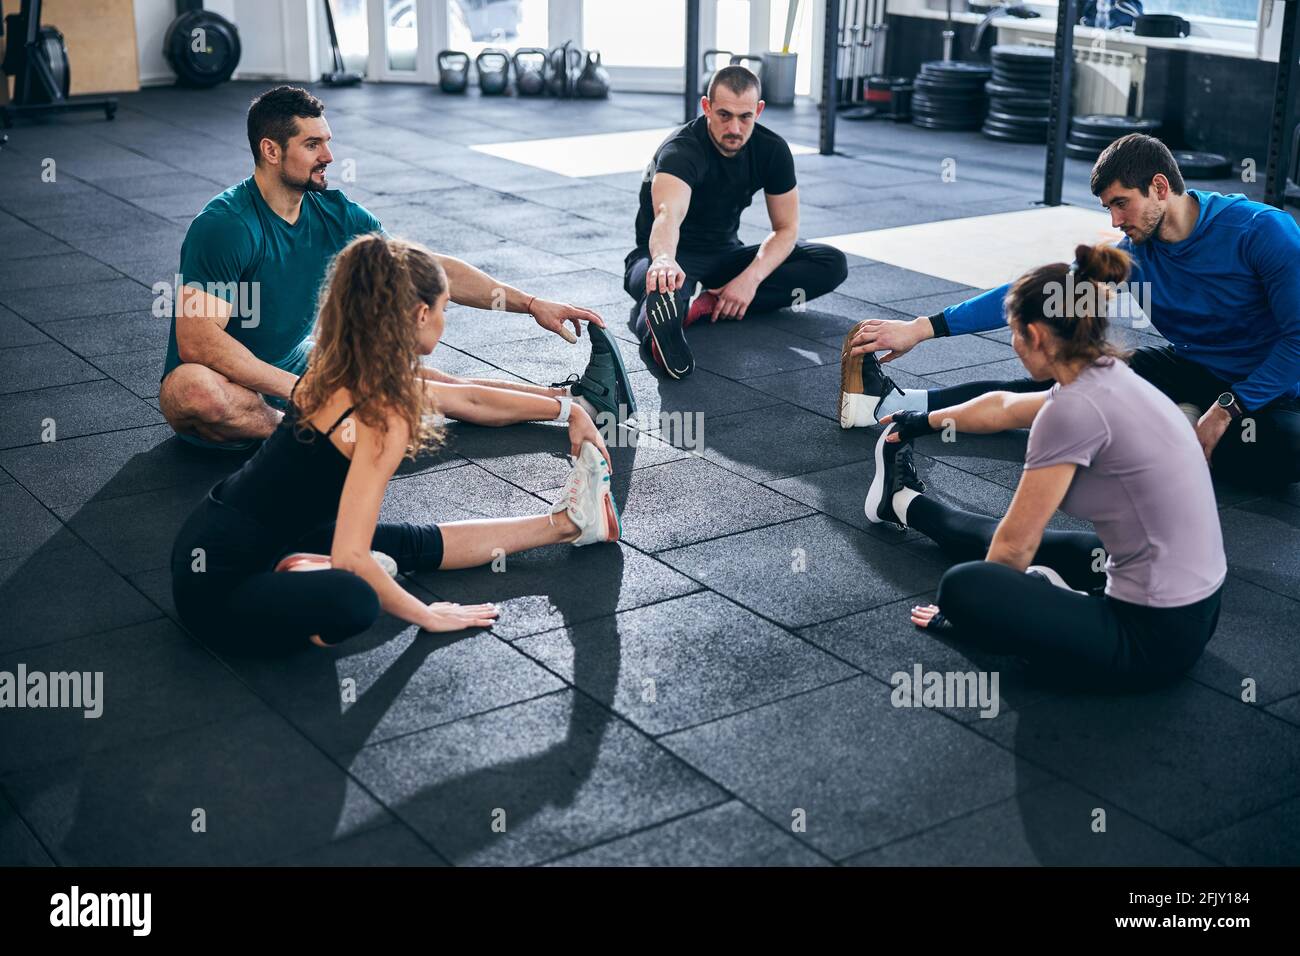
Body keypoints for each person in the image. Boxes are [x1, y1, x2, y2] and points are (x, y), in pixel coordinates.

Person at [171, 235, 620, 654]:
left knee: (397, 544)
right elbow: (351, 555)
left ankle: (567, 523)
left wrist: (571, 412)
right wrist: (428, 615)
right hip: (218, 589)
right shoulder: (382, 418)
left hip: (210, 533)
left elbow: (470, 398)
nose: (445, 319)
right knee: (359, 595)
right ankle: (300, 570)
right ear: (420, 315)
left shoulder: (345, 368)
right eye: (444, 307)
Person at [159, 85, 627, 451]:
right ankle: (308, 430)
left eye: (328, 141)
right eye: (313, 144)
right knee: (193, 390)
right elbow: (198, 339)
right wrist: (301, 391)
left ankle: (571, 403)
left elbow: (424, 268)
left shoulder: (334, 214)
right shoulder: (225, 226)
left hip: (291, 366)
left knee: (429, 384)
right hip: (227, 385)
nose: (330, 157)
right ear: (272, 150)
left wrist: (530, 303)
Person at [840, 134, 1300, 488]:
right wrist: (922, 328)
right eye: (1108, 208)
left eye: (1122, 203)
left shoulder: (1261, 232)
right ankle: (904, 405)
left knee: (1281, 448)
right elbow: (1034, 293)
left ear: (1160, 187)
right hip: (1194, 368)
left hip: (1272, 390)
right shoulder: (1133, 254)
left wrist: (1229, 407)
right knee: (1061, 382)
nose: (1115, 221)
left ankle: (1166, 427)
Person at [863, 243, 1226, 689]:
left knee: (965, 587)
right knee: (1004, 542)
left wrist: (973, 613)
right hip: (1198, 609)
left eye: (1014, 332)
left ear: (1034, 335)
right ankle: (900, 503)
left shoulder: (1071, 412)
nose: (1013, 344)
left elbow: (1014, 545)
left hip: (1150, 638)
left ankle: (1037, 594)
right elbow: (1004, 407)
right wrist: (923, 422)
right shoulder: (1108, 374)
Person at [624, 65, 848, 379]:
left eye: (745, 117)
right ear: (706, 107)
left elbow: (786, 228)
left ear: (759, 110)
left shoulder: (772, 150)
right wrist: (663, 260)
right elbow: (667, 215)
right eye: (724, 115)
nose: (735, 128)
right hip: (667, 256)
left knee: (831, 262)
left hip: (725, 256)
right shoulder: (681, 150)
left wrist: (750, 280)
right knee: (661, 288)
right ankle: (664, 321)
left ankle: (705, 303)